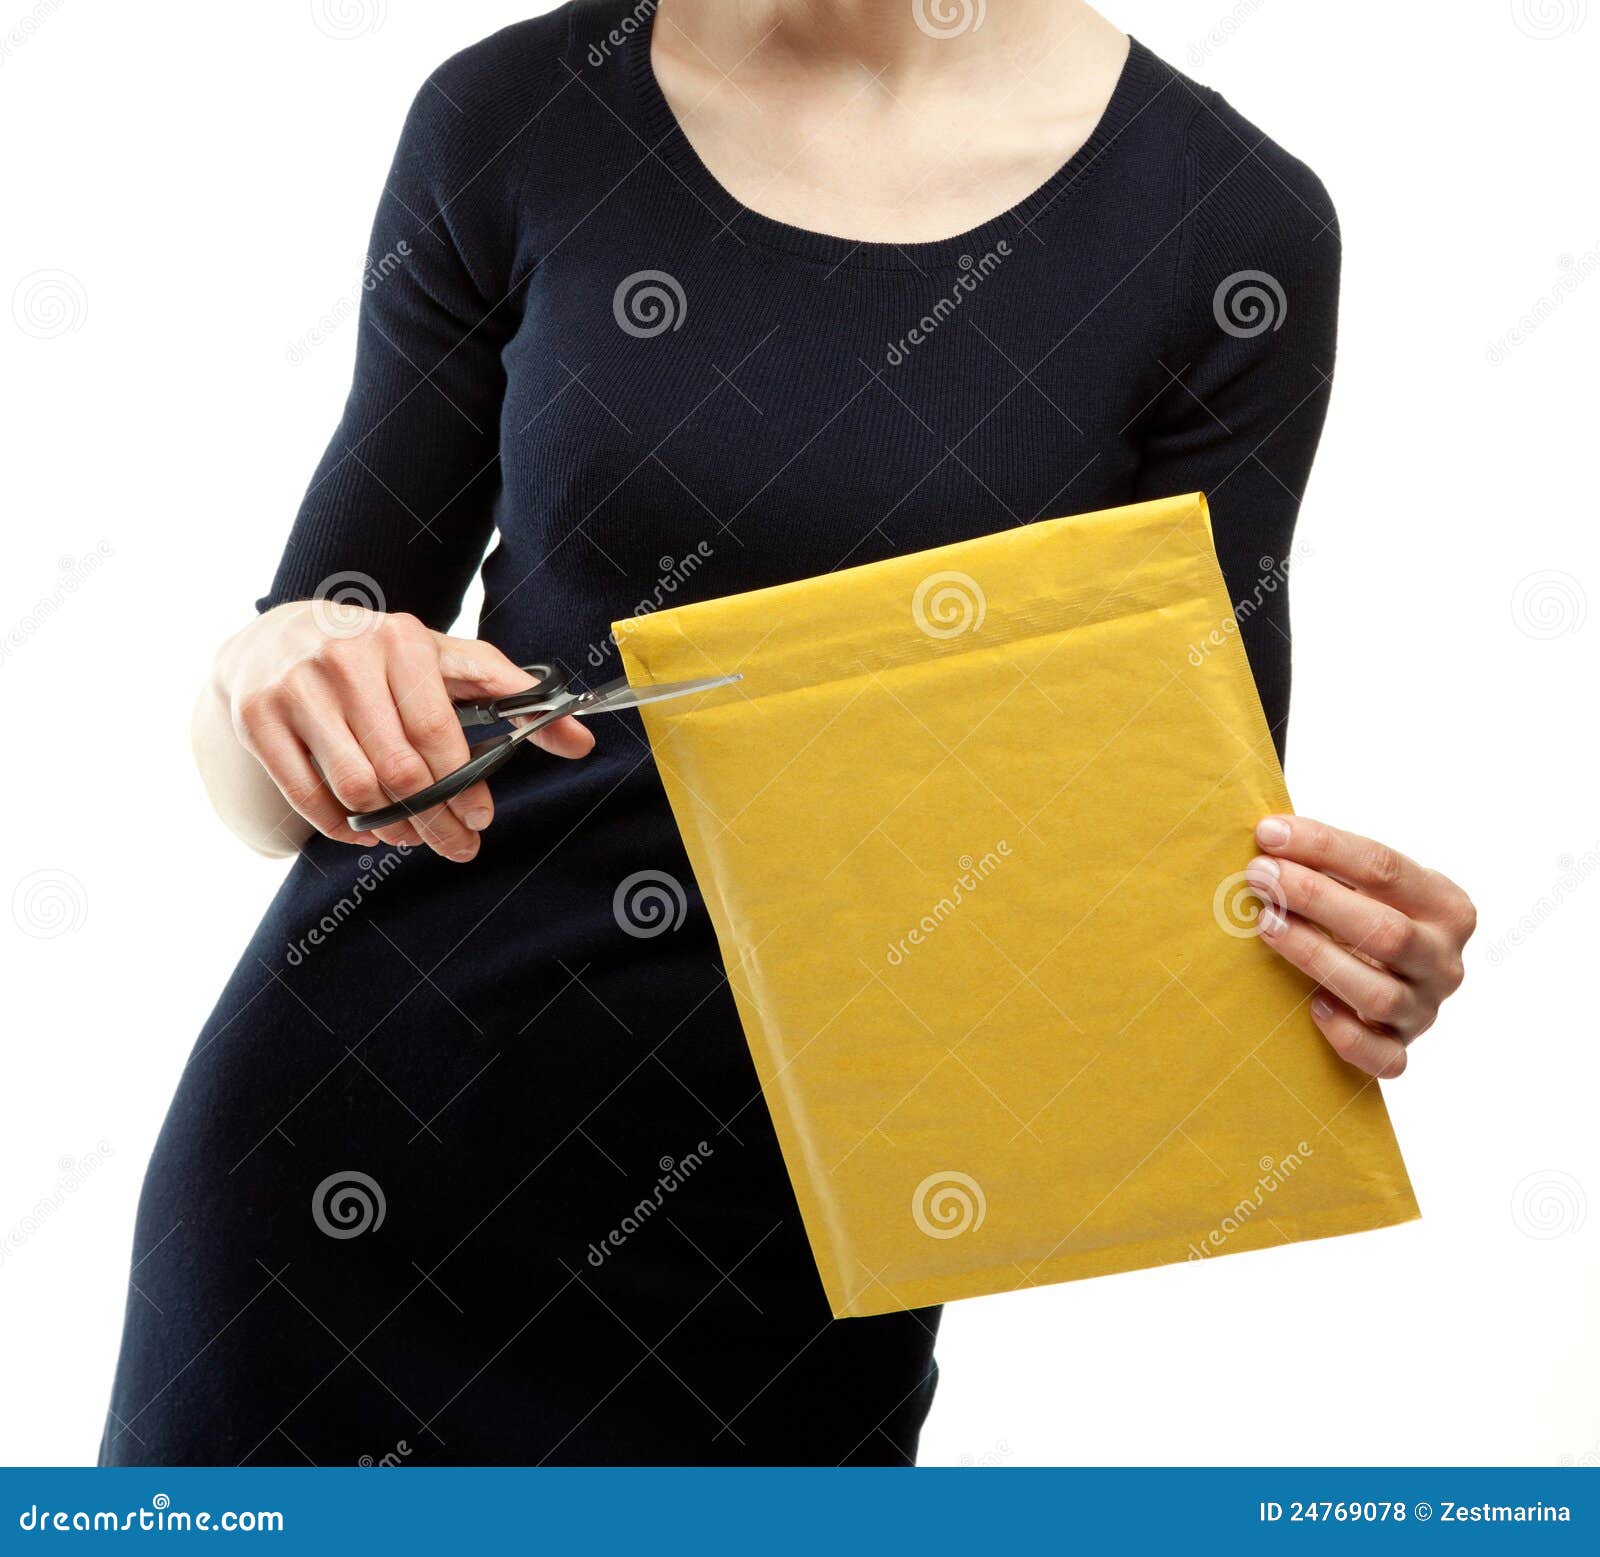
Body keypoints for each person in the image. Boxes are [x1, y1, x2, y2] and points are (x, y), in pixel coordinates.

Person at [101, 0, 1474, 1467]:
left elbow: (1143, 878)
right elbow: (274, 774)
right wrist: (274, 657)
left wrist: (1340, 967)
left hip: (791, 1269)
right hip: (346, 1188)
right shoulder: (513, 115)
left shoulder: (1226, 225)